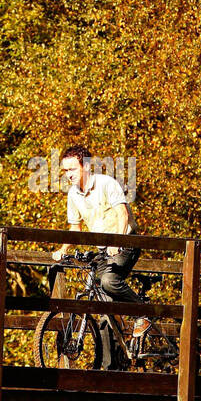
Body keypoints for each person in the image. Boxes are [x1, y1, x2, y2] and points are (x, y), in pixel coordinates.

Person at [50, 144, 149, 340]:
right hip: (104, 249)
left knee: (108, 281)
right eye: (65, 170)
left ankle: (143, 314)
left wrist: (117, 242)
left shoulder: (106, 183)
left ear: (85, 167)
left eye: (72, 169)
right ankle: (112, 355)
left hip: (126, 241)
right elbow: (75, 229)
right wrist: (62, 250)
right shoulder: (73, 194)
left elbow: (122, 214)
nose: (68, 174)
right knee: (100, 297)